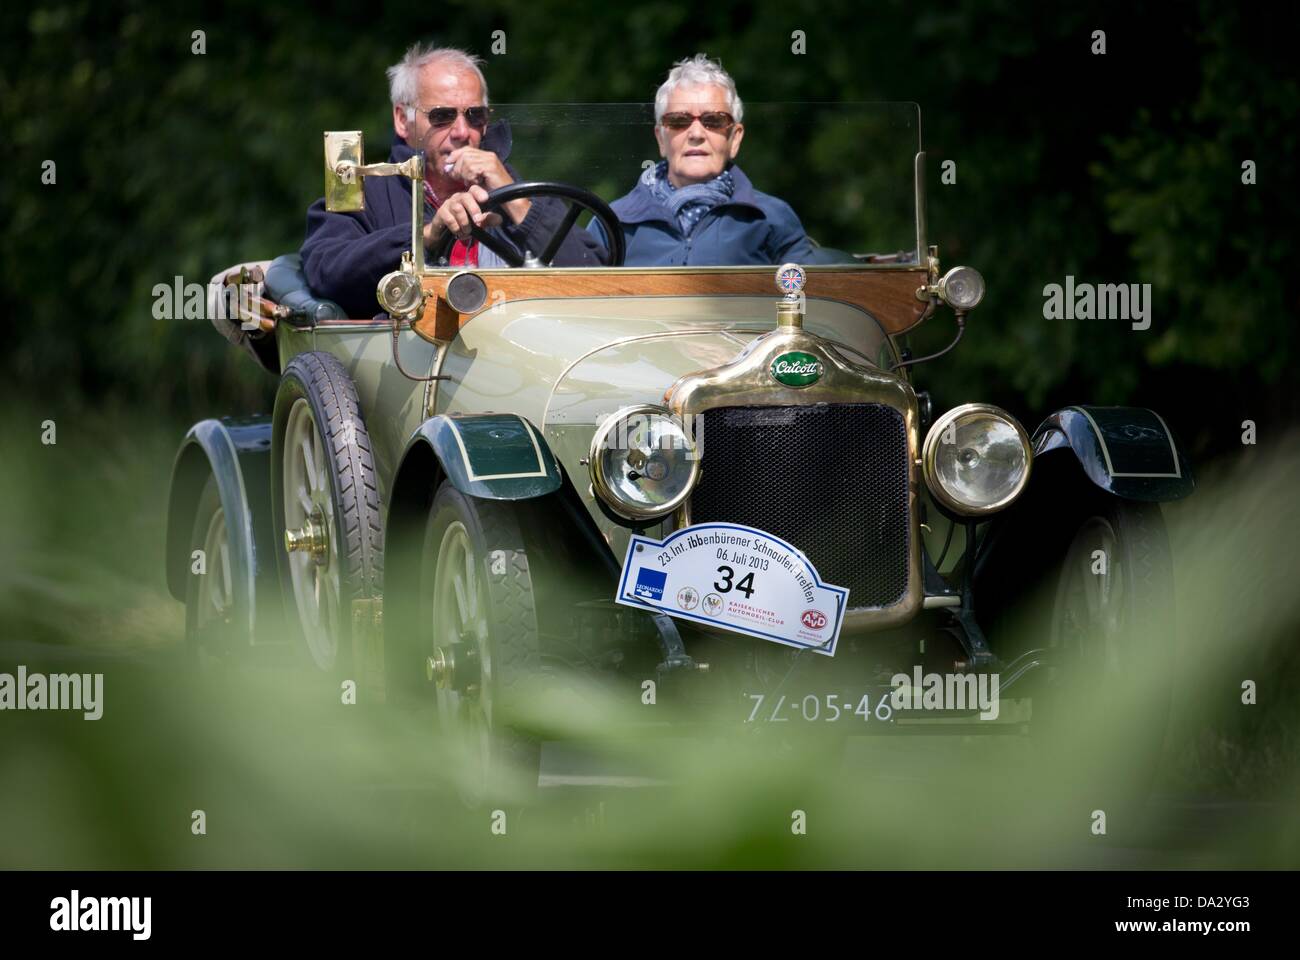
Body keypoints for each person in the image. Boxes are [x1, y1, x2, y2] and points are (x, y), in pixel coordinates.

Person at [301, 44, 606, 318]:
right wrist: (426, 236)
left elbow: (599, 278)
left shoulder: (522, 193)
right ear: (402, 120)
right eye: (442, 116)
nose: (462, 131)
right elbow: (326, 272)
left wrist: (515, 202)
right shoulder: (364, 192)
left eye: (475, 116)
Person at [592, 54, 816, 267]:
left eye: (714, 120)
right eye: (679, 121)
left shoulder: (772, 218)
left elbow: (807, 298)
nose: (696, 134)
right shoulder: (613, 222)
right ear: (661, 138)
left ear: (735, 138)